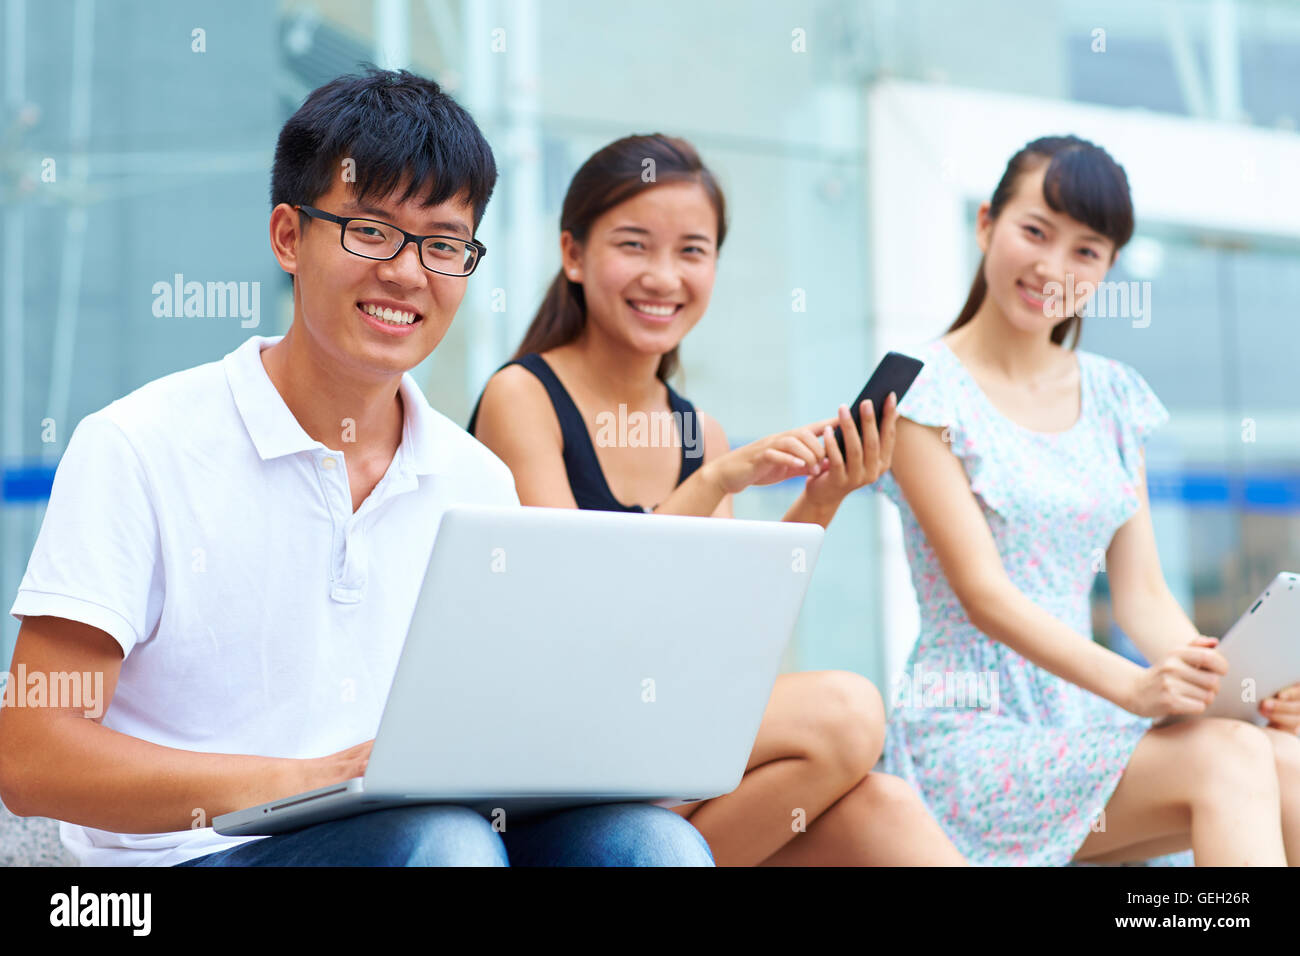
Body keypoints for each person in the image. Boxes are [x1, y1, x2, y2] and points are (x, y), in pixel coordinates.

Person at [0, 69, 712, 867]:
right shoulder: (138, 445)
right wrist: (307, 781)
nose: (407, 273)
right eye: (370, 231)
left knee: (653, 844)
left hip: (422, 834)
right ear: (286, 237)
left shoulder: (477, 481)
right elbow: (32, 757)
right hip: (188, 861)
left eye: (443, 245)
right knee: (445, 847)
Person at [469, 134, 966, 866]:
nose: (664, 277)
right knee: (849, 711)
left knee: (883, 808)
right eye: (635, 245)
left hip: (662, 750)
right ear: (572, 254)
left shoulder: (699, 430)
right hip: (553, 746)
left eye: (692, 251)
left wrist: (822, 499)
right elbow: (574, 610)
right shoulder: (525, 396)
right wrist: (715, 482)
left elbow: (733, 643)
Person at [876, 134, 1300, 866]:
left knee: (1282, 756)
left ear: (1106, 270)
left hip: (1086, 721)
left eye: (1086, 251)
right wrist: (1138, 687)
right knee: (1231, 761)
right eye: (1035, 232)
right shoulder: (923, 392)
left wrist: (1231, 687)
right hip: (972, 733)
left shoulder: (1111, 395)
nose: (1052, 267)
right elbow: (985, 596)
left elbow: (1143, 598)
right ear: (986, 225)